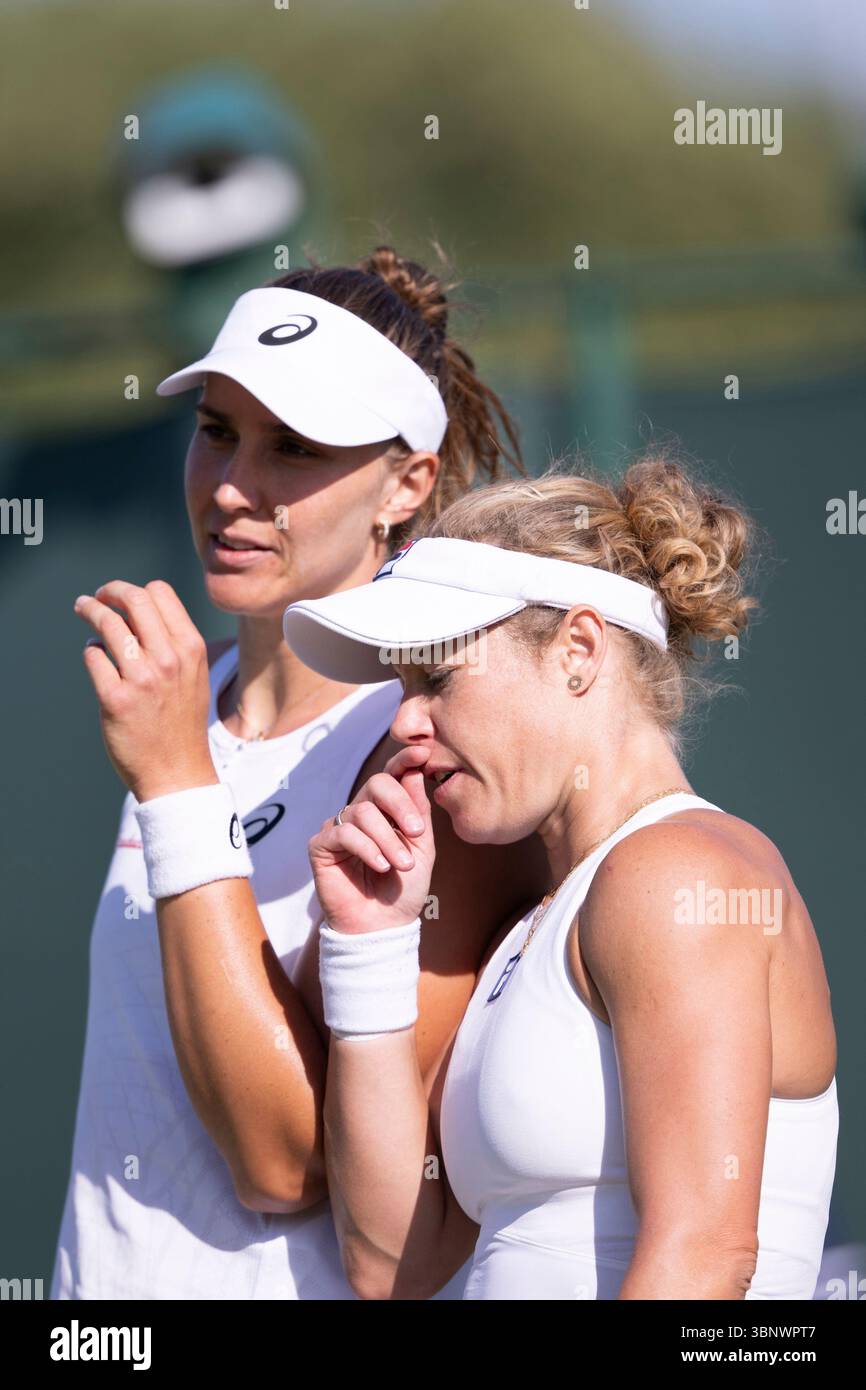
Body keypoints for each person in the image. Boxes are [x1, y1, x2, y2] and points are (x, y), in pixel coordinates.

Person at [52, 247, 550, 1301]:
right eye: (217, 431)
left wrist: (180, 781)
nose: (233, 488)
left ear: (406, 483)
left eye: (294, 447)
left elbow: (285, 1164)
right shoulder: (190, 703)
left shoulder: (425, 746)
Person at [287, 457, 840, 1300]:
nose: (405, 720)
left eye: (436, 677)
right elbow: (389, 1264)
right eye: (402, 686)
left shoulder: (675, 872)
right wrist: (372, 944)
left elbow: (703, 1259)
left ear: (578, 650)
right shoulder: (539, 923)